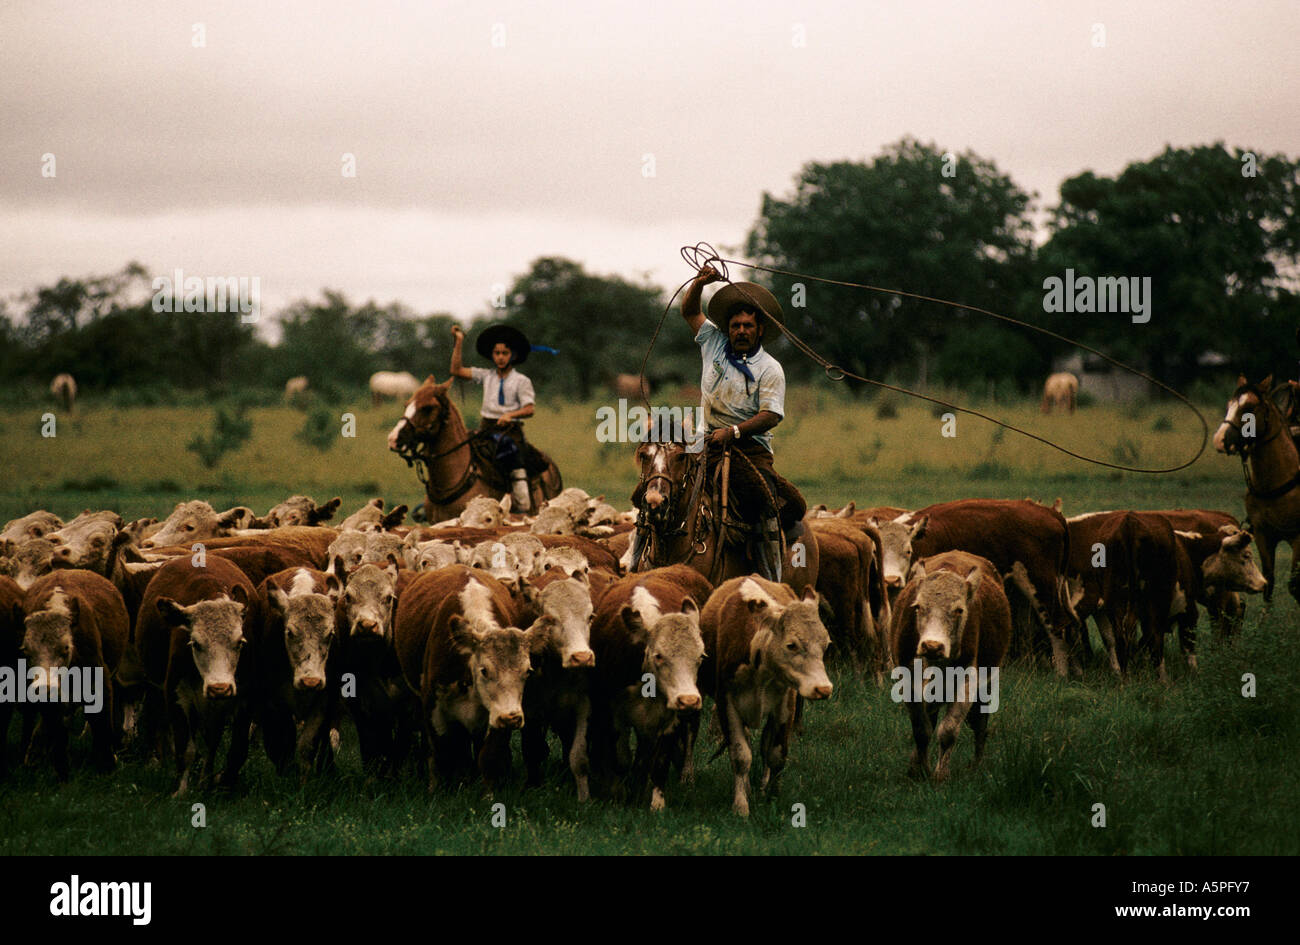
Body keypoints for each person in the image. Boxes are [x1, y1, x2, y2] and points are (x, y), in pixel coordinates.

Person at [635, 264, 806, 580]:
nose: (741, 330)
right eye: (736, 325)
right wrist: (700, 283)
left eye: (748, 326)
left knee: (762, 504)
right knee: (650, 490)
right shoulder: (713, 341)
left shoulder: (770, 368)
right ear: (728, 327)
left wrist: (734, 431)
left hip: (750, 451)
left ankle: (772, 579)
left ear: (759, 330)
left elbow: (772, 415)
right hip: (703, 442)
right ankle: (634, 564)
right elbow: (689, 311)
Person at [449, 323, 537, 512]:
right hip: (486, 428)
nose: (500, 357)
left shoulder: (522, 381)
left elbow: (529, 409)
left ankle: (523, 504)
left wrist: (510, 415)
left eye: (504, 353)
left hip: (509, 431)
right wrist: (459, 341)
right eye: (497, 353)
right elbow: (456, 370)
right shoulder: (486, 375)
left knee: (514, 462)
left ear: (512, 355)